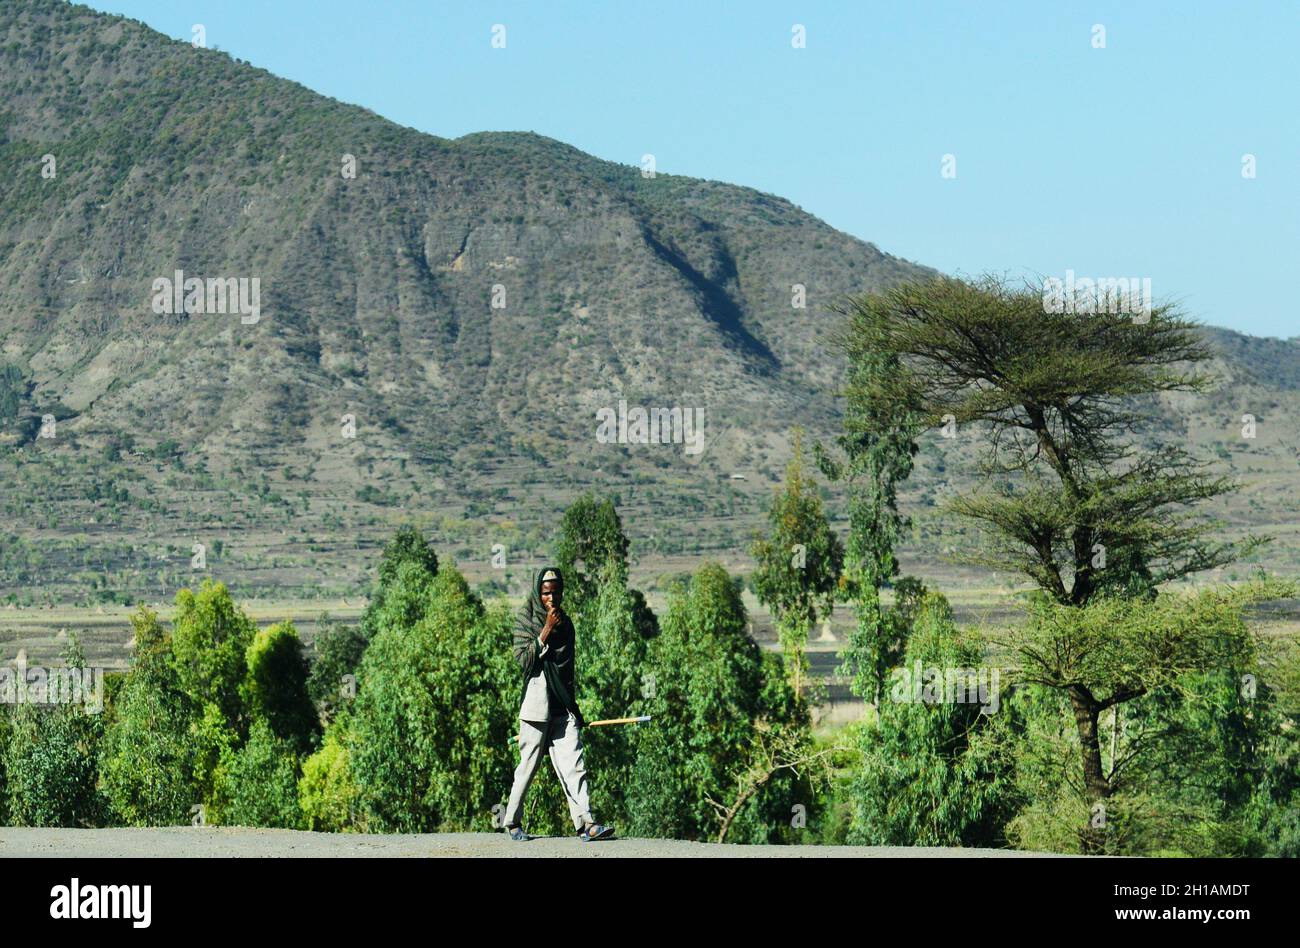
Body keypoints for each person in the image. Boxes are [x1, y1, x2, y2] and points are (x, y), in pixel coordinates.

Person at [502, 566, 615, 841]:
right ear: (537, 593)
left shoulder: (568, 625)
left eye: (555, 593)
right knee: (527, 768)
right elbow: (524, 662)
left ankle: (587, 824)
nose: (551, 599)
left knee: (574, 766)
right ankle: (512, 823)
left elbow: (567, 672)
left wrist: (573, 708)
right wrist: (545, 630)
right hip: (535, 710)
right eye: (545, 593)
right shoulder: (525, 621)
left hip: (562, 708)